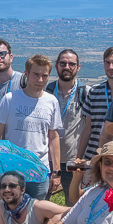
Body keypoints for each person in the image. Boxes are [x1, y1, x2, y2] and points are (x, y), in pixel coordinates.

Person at [0, 54, 65, 196]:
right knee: (10, 211)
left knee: (37, 213)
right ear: (26, 74)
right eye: (36, 75)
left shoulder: (52, 101)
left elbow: (53, 138)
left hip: (39, 170)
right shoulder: (10, 99)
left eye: (45, 75)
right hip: (11, 168)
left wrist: (56, 171)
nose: (40, 80)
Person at [73, 48, 113, 192]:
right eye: (107, 63)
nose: (111, 67)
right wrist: (79, 157)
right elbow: (88, 128)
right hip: (94, 158)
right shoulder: (94, 92)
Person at [48, 50, 90, 201]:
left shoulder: (86, 93)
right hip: (48, 160)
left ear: (78, 67)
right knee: (38, 206)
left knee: (74, 205)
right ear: (56, 66)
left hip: (73, 162)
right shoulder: (46, 92)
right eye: (63, 63)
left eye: (71, 64)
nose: (67, 67)